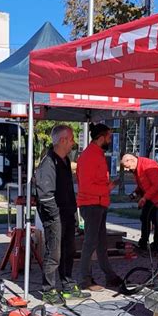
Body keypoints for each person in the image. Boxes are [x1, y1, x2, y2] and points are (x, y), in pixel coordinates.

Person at [34, 124, 89, 303]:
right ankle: (48, 290)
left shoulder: (64, 160)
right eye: (72, 139)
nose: (74, 143)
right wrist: (55, 215)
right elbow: (44, 194)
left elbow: (67, 190)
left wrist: (74, 212)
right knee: (54, 253)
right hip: (54, 215)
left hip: (67, 213)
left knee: (68, 250)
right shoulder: (48, 162)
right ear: (63, 140)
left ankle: (67, 286)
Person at [76, 123, 123, 292]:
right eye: (109, 136)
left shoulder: (96, 154)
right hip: (92, 204)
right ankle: (84, 279)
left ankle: (109, 276)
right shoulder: (90, 156)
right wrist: (108, 188)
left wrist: (106, 187)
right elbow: (86, 186)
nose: (110, 140)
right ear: (101, 137)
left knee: (101, 243)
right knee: (91, 243)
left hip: (98, 203)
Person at [121, 153, 158, 253]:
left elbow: (156, 185)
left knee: (157, 222)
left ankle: (155, 246)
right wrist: (136, 193)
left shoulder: (148, 165)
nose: (127, 170)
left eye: (127, 167)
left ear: (131, 160)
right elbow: (143, 185)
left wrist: (144, 198)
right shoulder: (136, 169)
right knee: (145, 217)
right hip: (152, 196)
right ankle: (143, 243)